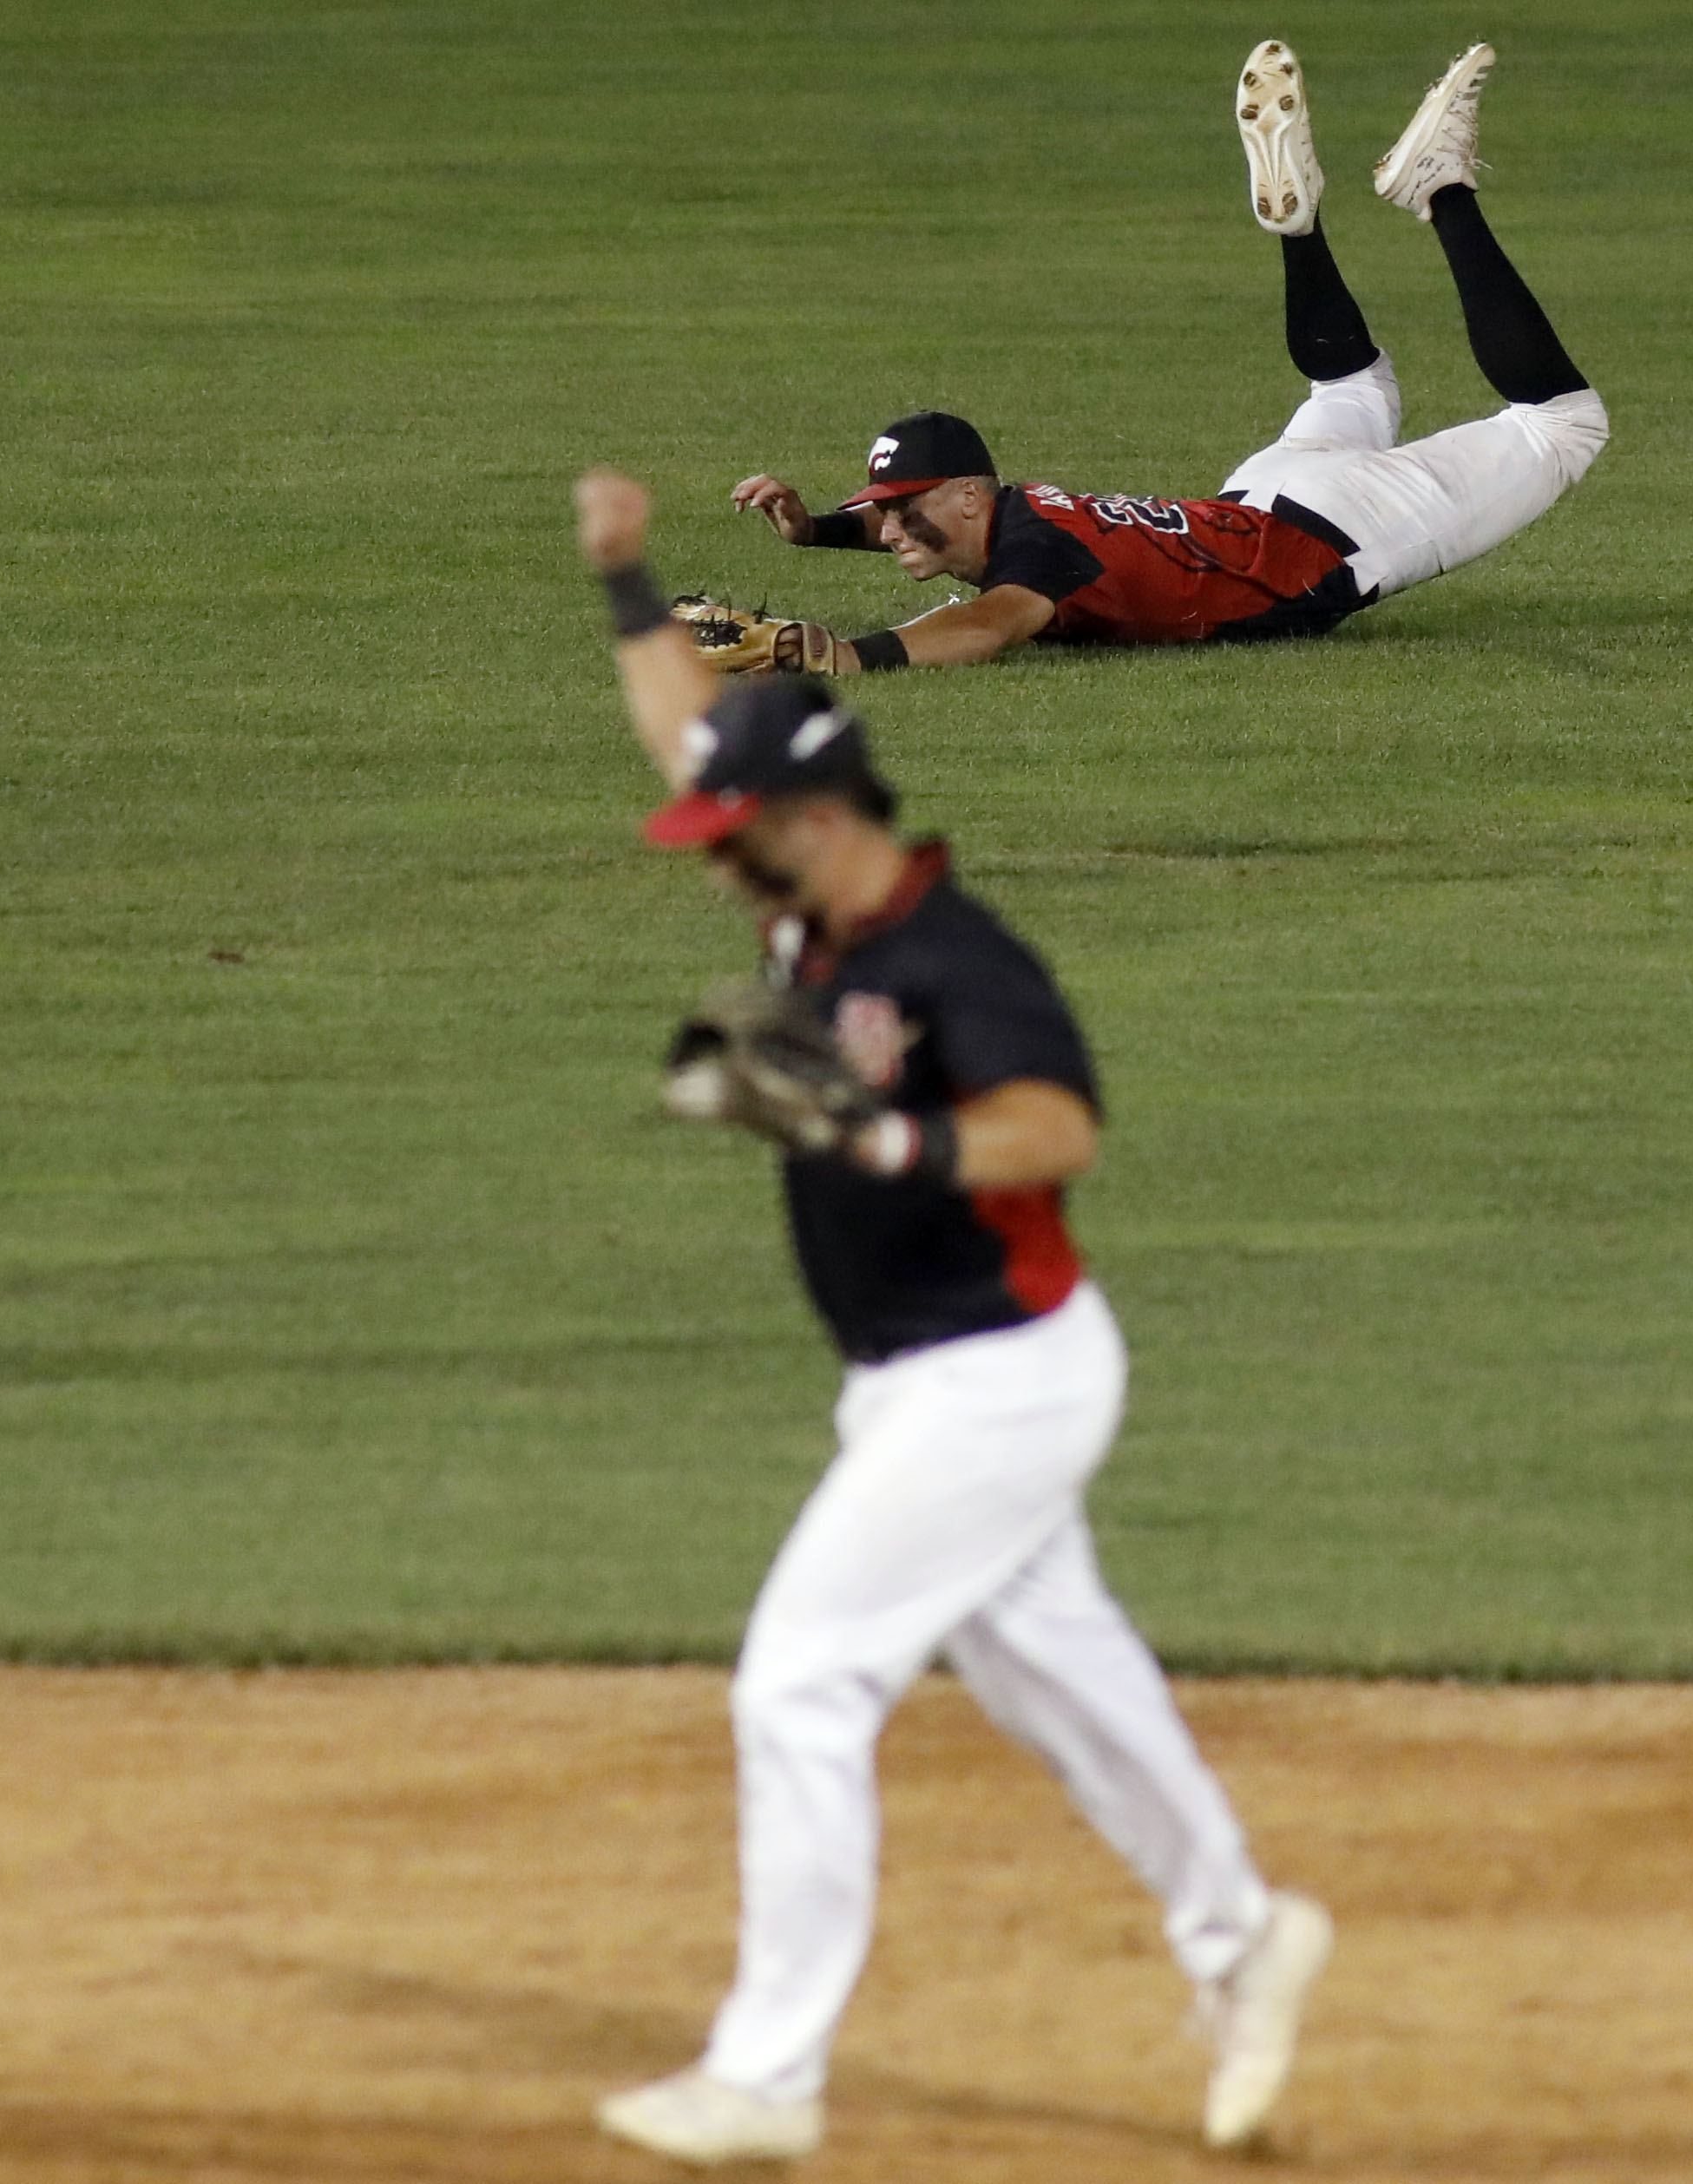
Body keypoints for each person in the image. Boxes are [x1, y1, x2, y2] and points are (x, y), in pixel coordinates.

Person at [571, 466, 1335, 2166]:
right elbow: (681, 733)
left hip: (993, 1379)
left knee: (800, 1686)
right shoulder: (801, 896)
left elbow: (1055, 1131)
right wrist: (625, 582)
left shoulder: (957, 967)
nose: (713, 868)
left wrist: (877, 1133)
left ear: (821, 818)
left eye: (735, 841)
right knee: (1068, 1681)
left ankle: (764, 2080)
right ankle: (1238, 1930)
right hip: (928, 1381)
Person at [724, 41, 1608, 672]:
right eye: (885, 513)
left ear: (967, 496)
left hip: (1326, 529)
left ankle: (1441, 187)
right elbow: (940, 542)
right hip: (1271, 500)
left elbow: (988, 628)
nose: (891, 529)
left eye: (902, 510)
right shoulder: (1019, 519)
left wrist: (846, 654)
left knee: (1564, 422)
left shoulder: (1033, 557)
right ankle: (1298, 232)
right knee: (1349, 381)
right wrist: (814, 532)